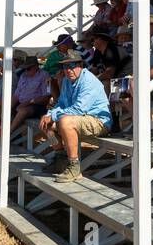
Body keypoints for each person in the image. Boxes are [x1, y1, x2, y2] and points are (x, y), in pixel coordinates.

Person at [40, 50, 112, 183]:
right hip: (81, 118)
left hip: (99, 121)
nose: (68, 70)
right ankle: (60, 157)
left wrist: (54, 115)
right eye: (65, 66)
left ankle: (74, 167)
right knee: (46, 123)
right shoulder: (68, 81)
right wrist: (49, 114)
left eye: (72, 66)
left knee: (65, 122)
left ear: (80, 66)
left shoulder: (89, 80)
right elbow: (61, 103)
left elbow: (79, 109)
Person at [12, 53, 54, 125]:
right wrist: (9, 106)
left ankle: (7, 134)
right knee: (1, 103)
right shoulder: (23, 76)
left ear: (36, 67)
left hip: (38, 106)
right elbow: (16, 95)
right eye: (25, 69)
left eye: (28, 69)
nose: (26, 71)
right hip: (22, 104)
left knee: (23, 111)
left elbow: (46, 98)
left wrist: (28, 102)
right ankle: (2, 128)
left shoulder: (45, 76)